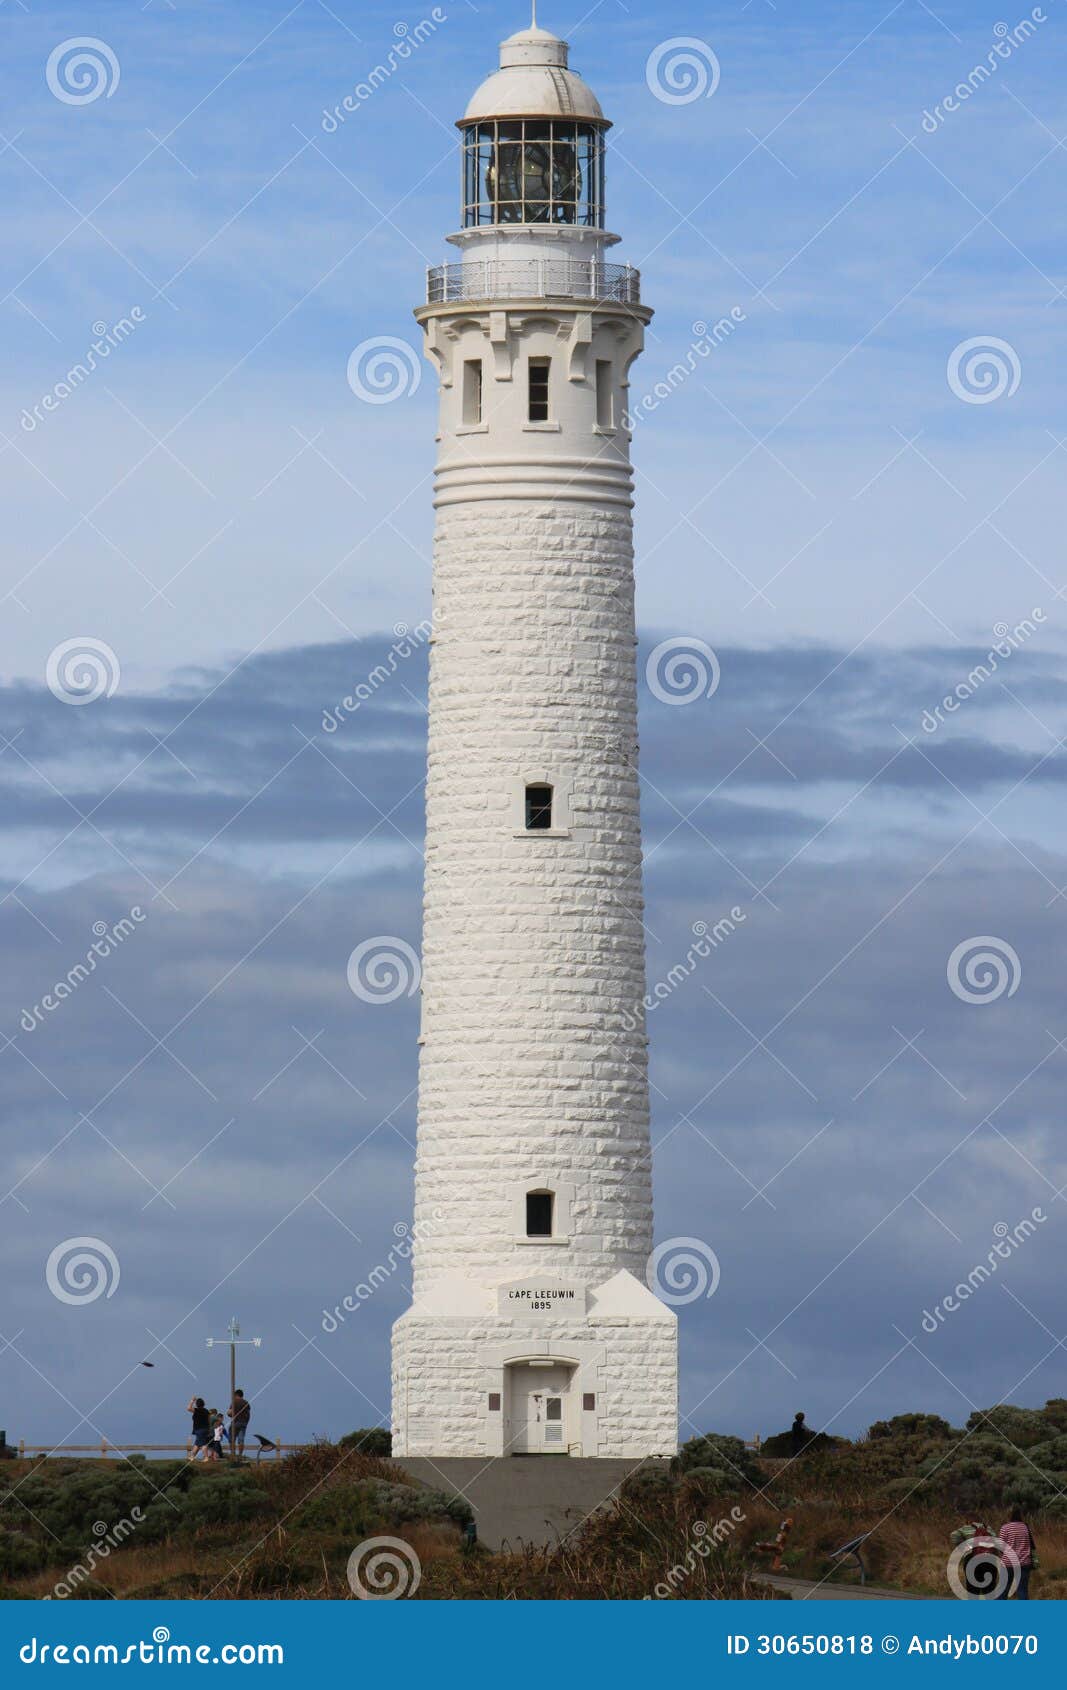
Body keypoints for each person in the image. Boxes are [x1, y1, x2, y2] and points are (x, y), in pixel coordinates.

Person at [998, 1506, 1037, 1600]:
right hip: (1024, 1563)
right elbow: (1030, 1545)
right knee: (1022, 1591)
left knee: (1003, 1590)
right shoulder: (1026, 1527)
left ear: (1009, 1515)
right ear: (1020, 1515)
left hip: (1008, 1563)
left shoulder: (1005, 1528)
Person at [228, 1389, 252, 1457]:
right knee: (241, 1440)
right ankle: (240, 1455)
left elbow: (230, 1413)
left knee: (232, 1439)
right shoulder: (246, 1403)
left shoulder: (234, 1402)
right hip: (243, 1423)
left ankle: (233, 1455)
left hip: (235, 1423)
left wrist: (229, 1414)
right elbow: (248, 1414)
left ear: (236, 1395)